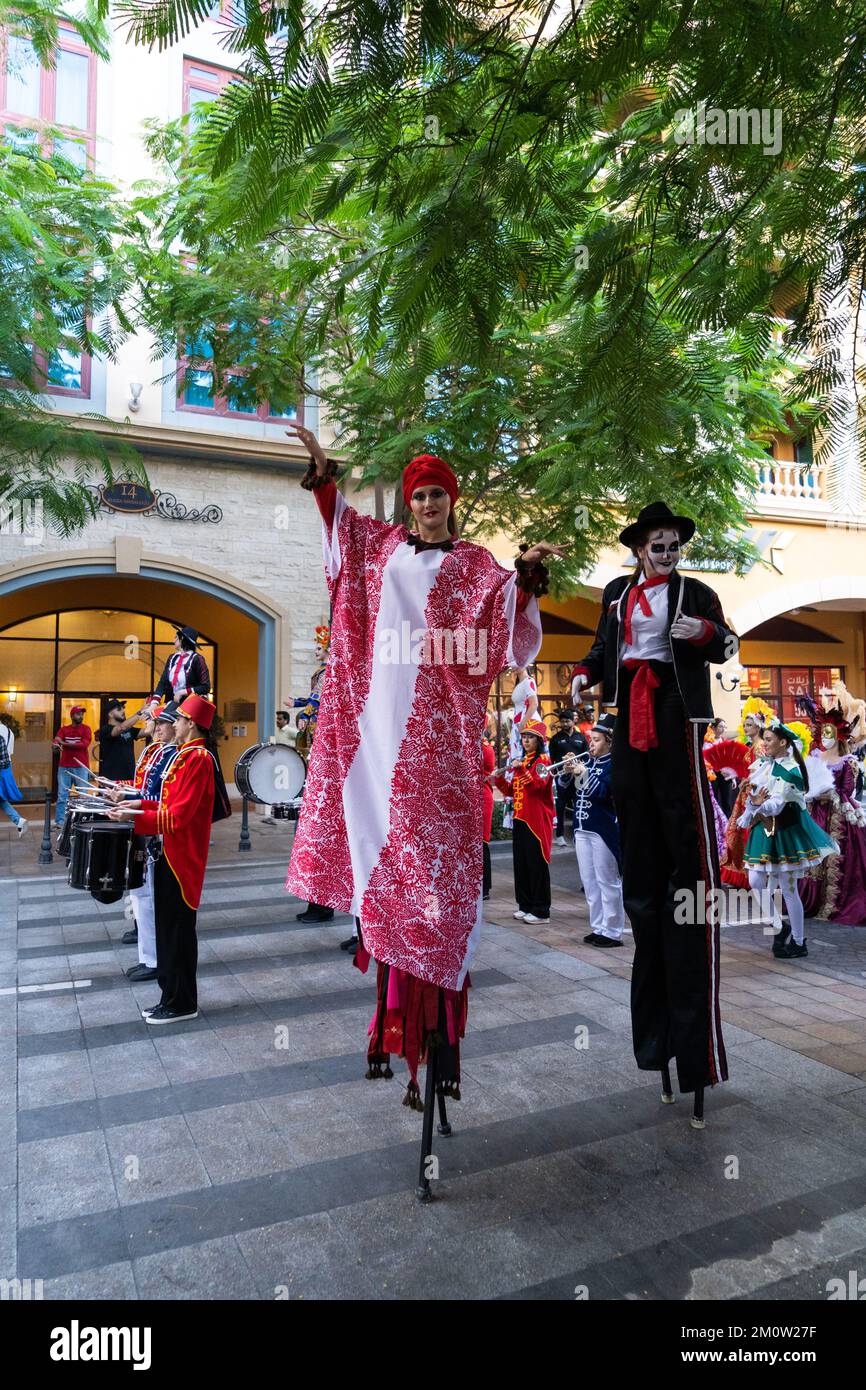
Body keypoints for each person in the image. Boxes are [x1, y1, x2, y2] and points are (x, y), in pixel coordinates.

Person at [285, 423, 563, 1107]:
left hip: (438, 742)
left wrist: (525, 577)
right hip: (375, 729)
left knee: (436, 879)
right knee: (383, 862)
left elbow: (508, 619)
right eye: (421, 494)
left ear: (452, 501)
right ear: (409, 502)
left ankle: (435, 1039)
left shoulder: (475, 563)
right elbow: (341, 534)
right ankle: (393, 1022)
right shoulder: (381, 547)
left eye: (439, 493)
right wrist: (324, 478)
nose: (430, 503)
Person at [571, 500, 738, 1107]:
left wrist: (706, 634)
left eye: (674, 546)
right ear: (640, 548)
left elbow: (727, 645)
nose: (668, 555)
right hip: (628, 716)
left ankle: (696, 1050)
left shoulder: (696, 592)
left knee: (685, 848)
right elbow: (599, 653)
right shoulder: (617, 593)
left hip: (677, 710)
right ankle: (654, 1033)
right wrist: (585, 676)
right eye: (659, 546)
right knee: (636, 840)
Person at [108, 695, 216, 1023]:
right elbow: (165, 806)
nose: (172, 725)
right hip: (170, 852)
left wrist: (134, 818)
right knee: (168, 928)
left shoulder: (198, 758)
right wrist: (135, 808)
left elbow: (179, 816)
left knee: (178, 931)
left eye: (179, 720)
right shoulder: (187, 756)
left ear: (192, 724)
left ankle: (182, 1002)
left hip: (182, 859)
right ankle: (170, 995)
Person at [740, 720, 838, 960]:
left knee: (788, 889)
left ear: (783, 742)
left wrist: (757, 803)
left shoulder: (792, 770)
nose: (765, 743)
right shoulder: (764, 765)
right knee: (755, 880)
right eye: (765, 739)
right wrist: (751, 804)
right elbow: (756, 799)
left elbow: (776, 804)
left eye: (770, 739)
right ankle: (778, 925)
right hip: (764, 831)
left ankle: (798, 941)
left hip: (787, 833)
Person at [110, 704, 180, 981]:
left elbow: (159, 795)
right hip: (145, 823)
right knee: (141, 896)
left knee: (149, 898)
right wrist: (122, 789)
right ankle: (147, 956)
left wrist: (131, 801)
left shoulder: (171, 754)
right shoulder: (154, 751)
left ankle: (154, 959)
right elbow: (144, 787)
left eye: (160, 721)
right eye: (154, 721)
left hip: (154, 828)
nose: (154, 724)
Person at [795, 702, 866, 928]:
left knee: (837, 858)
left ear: (839, 735)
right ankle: (810, 901)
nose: (825, 737)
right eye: (822, 732)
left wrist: (829, 792)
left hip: (838, 816)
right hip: (815, 813)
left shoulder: (848, 762)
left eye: (829, 733)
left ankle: (833, 903)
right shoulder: (815, 757)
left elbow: (847, 790)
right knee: (812, 858)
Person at [559, 713, 624, 947]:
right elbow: (567, 791)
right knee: (590, 881)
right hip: (582, 828)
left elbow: (603, 794)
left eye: (596, 740)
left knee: (607, 881)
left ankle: (613, 931)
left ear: (609, 741)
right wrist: (567, 771)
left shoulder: (615, 765)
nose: (591, 744)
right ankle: (598, 926)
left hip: (603, 829)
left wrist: (581, 773)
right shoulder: (588, 763)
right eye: (591, 739)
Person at [493, 720, 556, 924]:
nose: (526, 740)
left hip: (536, 821)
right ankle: (525, 904)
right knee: (522, 864)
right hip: (520, 819)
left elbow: (538, 786)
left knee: (536, 864)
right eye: (524, 736)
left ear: (539, 740)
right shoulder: (524, 761)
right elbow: (512, 790)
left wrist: (521, 769)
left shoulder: (543, 762)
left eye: (530, 737)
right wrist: (498, 779)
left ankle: (541, 910)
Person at [549, 710, 587, 847]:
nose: (565, 724)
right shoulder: (555, 739)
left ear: (573, 721)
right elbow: (551, 761)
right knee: (560, 807)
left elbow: (586, 758)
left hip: (577, 777)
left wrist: (580, 769)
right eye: (563, 721)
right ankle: (559, 835)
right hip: (562, 779)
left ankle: (578, 834)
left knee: (579, 806)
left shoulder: (581, 738)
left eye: (567, 721)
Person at [150, 626, 210, 708]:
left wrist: (182, 692)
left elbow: (205, 687)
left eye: (176, 637)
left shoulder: (197, 659)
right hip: (170, 703)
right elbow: (163, 682)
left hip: (189, 706)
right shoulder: (172, 658)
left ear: (182, 638)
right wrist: (154, 703)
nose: (173, 640)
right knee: (152, 720)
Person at [53, 706, 93, 828]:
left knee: (83, 795)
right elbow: (57, 740)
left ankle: (83, 822)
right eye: (78, 714)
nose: (81, 716)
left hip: (81, 767)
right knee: (62, 796)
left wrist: (63, 743)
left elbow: (83, 745)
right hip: (64, 766)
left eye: (82, 714)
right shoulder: (64, 729)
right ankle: (60, 822)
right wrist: (55, 744)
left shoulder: (86, 729)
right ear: (72, 716)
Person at [97, 700, 146, 784]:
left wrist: (157, 718)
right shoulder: (105, 730)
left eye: (123, 708)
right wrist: (140, 713)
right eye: (119, 709)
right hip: (112, 779)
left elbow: (148, 731)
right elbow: (121, 728)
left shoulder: (129, 730)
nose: (123, 711)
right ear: (110, 714)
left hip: (129, 778)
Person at [0, 718, 27, 837]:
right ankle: (18, 820)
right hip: (6, 766)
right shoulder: (10, 732)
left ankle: (18, 820)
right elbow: (9, 753)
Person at [482, 735, 496, 900]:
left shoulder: (486, 748)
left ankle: (484, 887)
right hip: (472, 797)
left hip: (482, 797)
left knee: (481, 843)